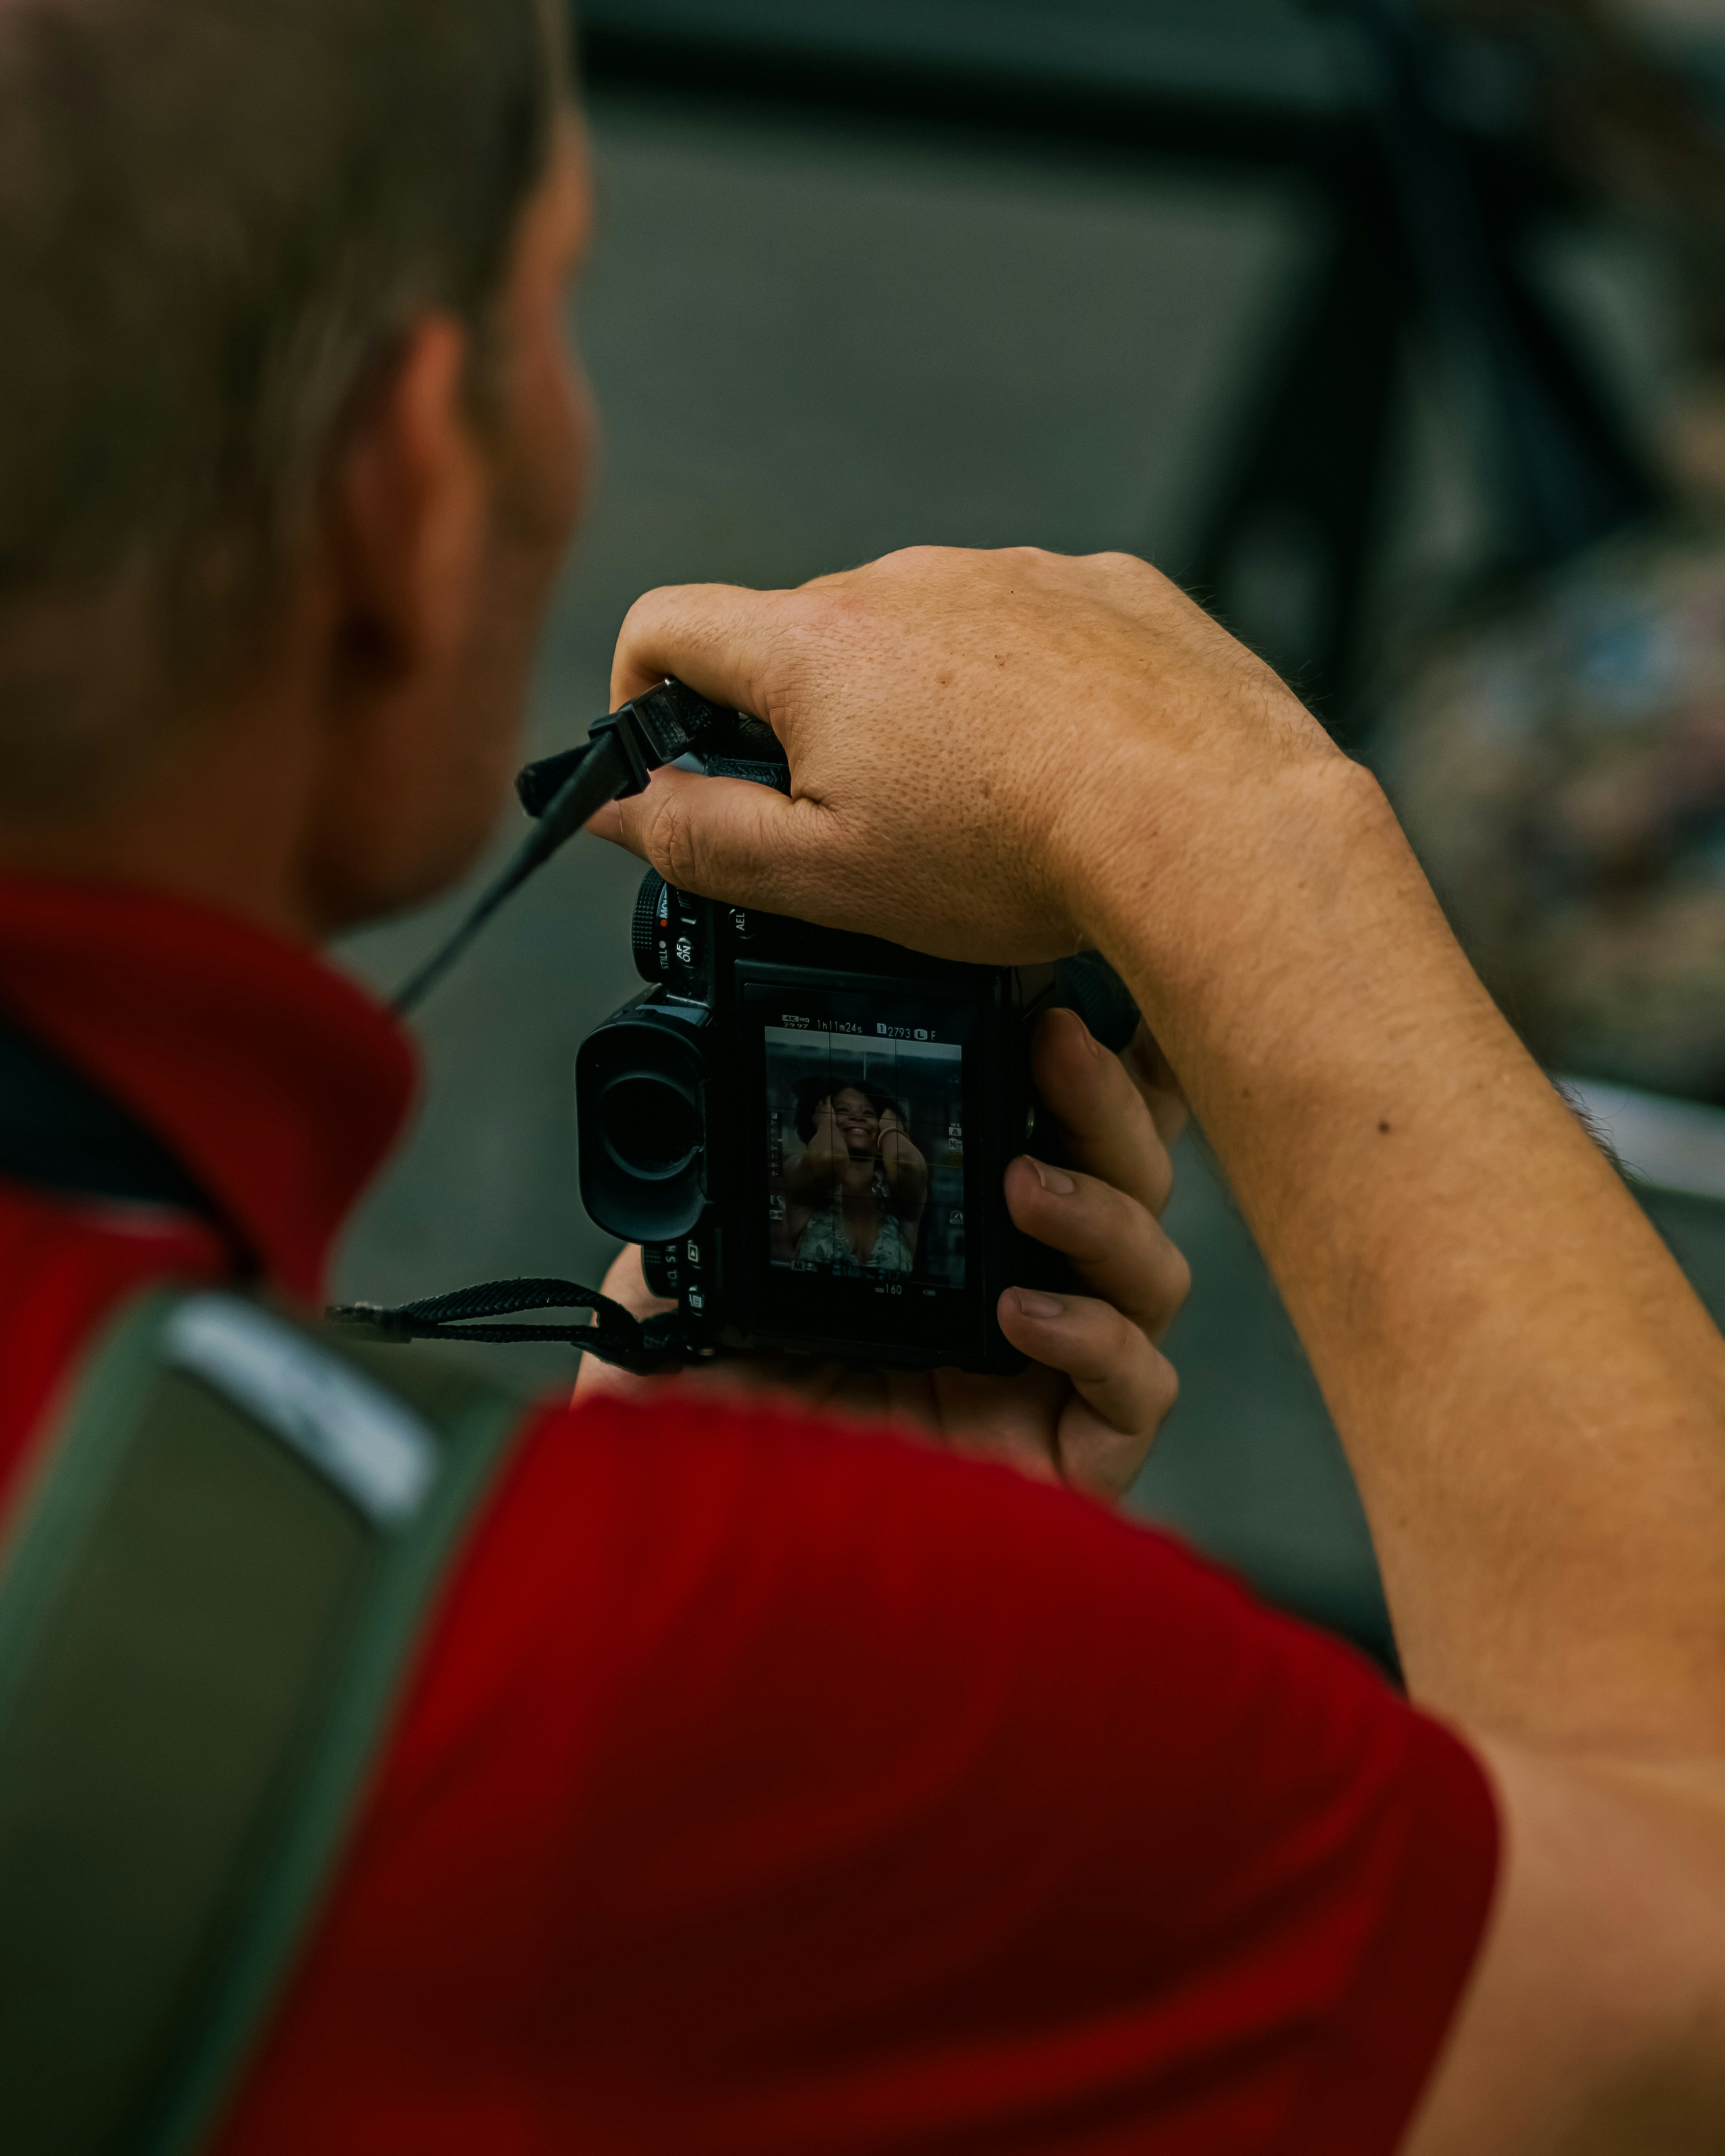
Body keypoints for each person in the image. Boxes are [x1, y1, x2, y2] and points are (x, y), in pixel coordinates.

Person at [0, 7, 1722, 2156]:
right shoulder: (662, 1688)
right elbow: (1687, 1978)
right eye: (545, 304)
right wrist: (1234, 826)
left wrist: (710, 1621)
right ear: (409, 497)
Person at [783, 1078, 926, 1272]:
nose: (858, 1118)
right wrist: (825, 1122)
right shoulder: (800, 1174)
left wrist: (892, 1128)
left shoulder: (896, 1195)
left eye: (869, 1113)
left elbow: (906, 1165)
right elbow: (827, 1160)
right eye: (843, 1111)